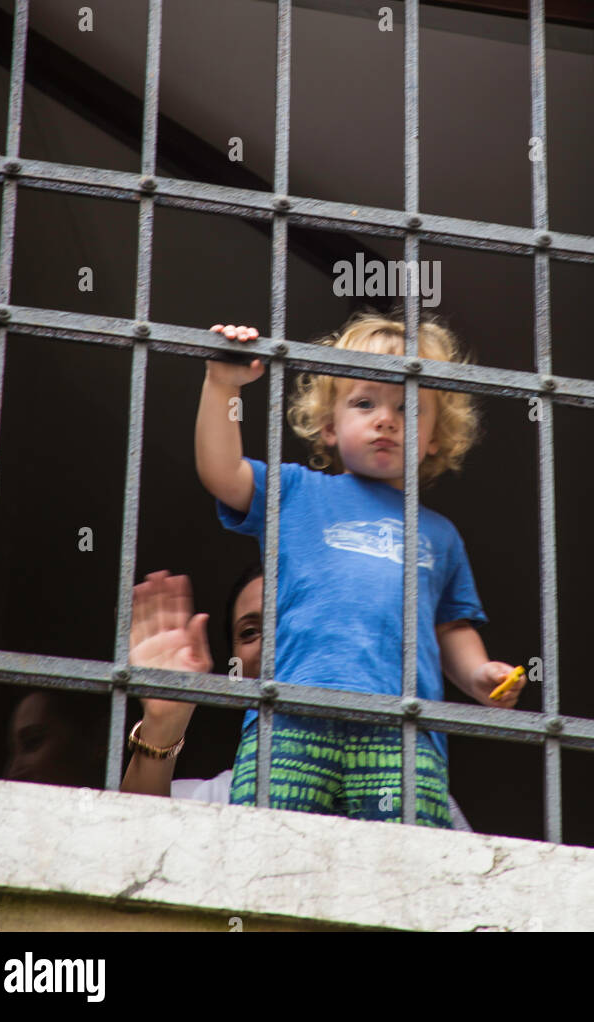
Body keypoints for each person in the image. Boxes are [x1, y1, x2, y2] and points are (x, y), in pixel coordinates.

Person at [192, 311, 526, 828]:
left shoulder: (440, 533)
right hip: (291, 716)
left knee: (403, 859)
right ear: (329, 425)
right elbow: (221, 471)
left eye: (408, 408)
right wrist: (222, 385)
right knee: (268, 843)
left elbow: (451, 626)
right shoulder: (298, 491)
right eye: (364, 402)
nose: (386, 419)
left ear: (436, 436)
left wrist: (480, 675)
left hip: (402, 729)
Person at [121, 564, 475, 828]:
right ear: (237, 669)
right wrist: (163, 723)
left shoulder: (418, 796)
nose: (277, 640)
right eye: (250, 632)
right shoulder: (215, 801)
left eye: (296, 618)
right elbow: (131, 845)